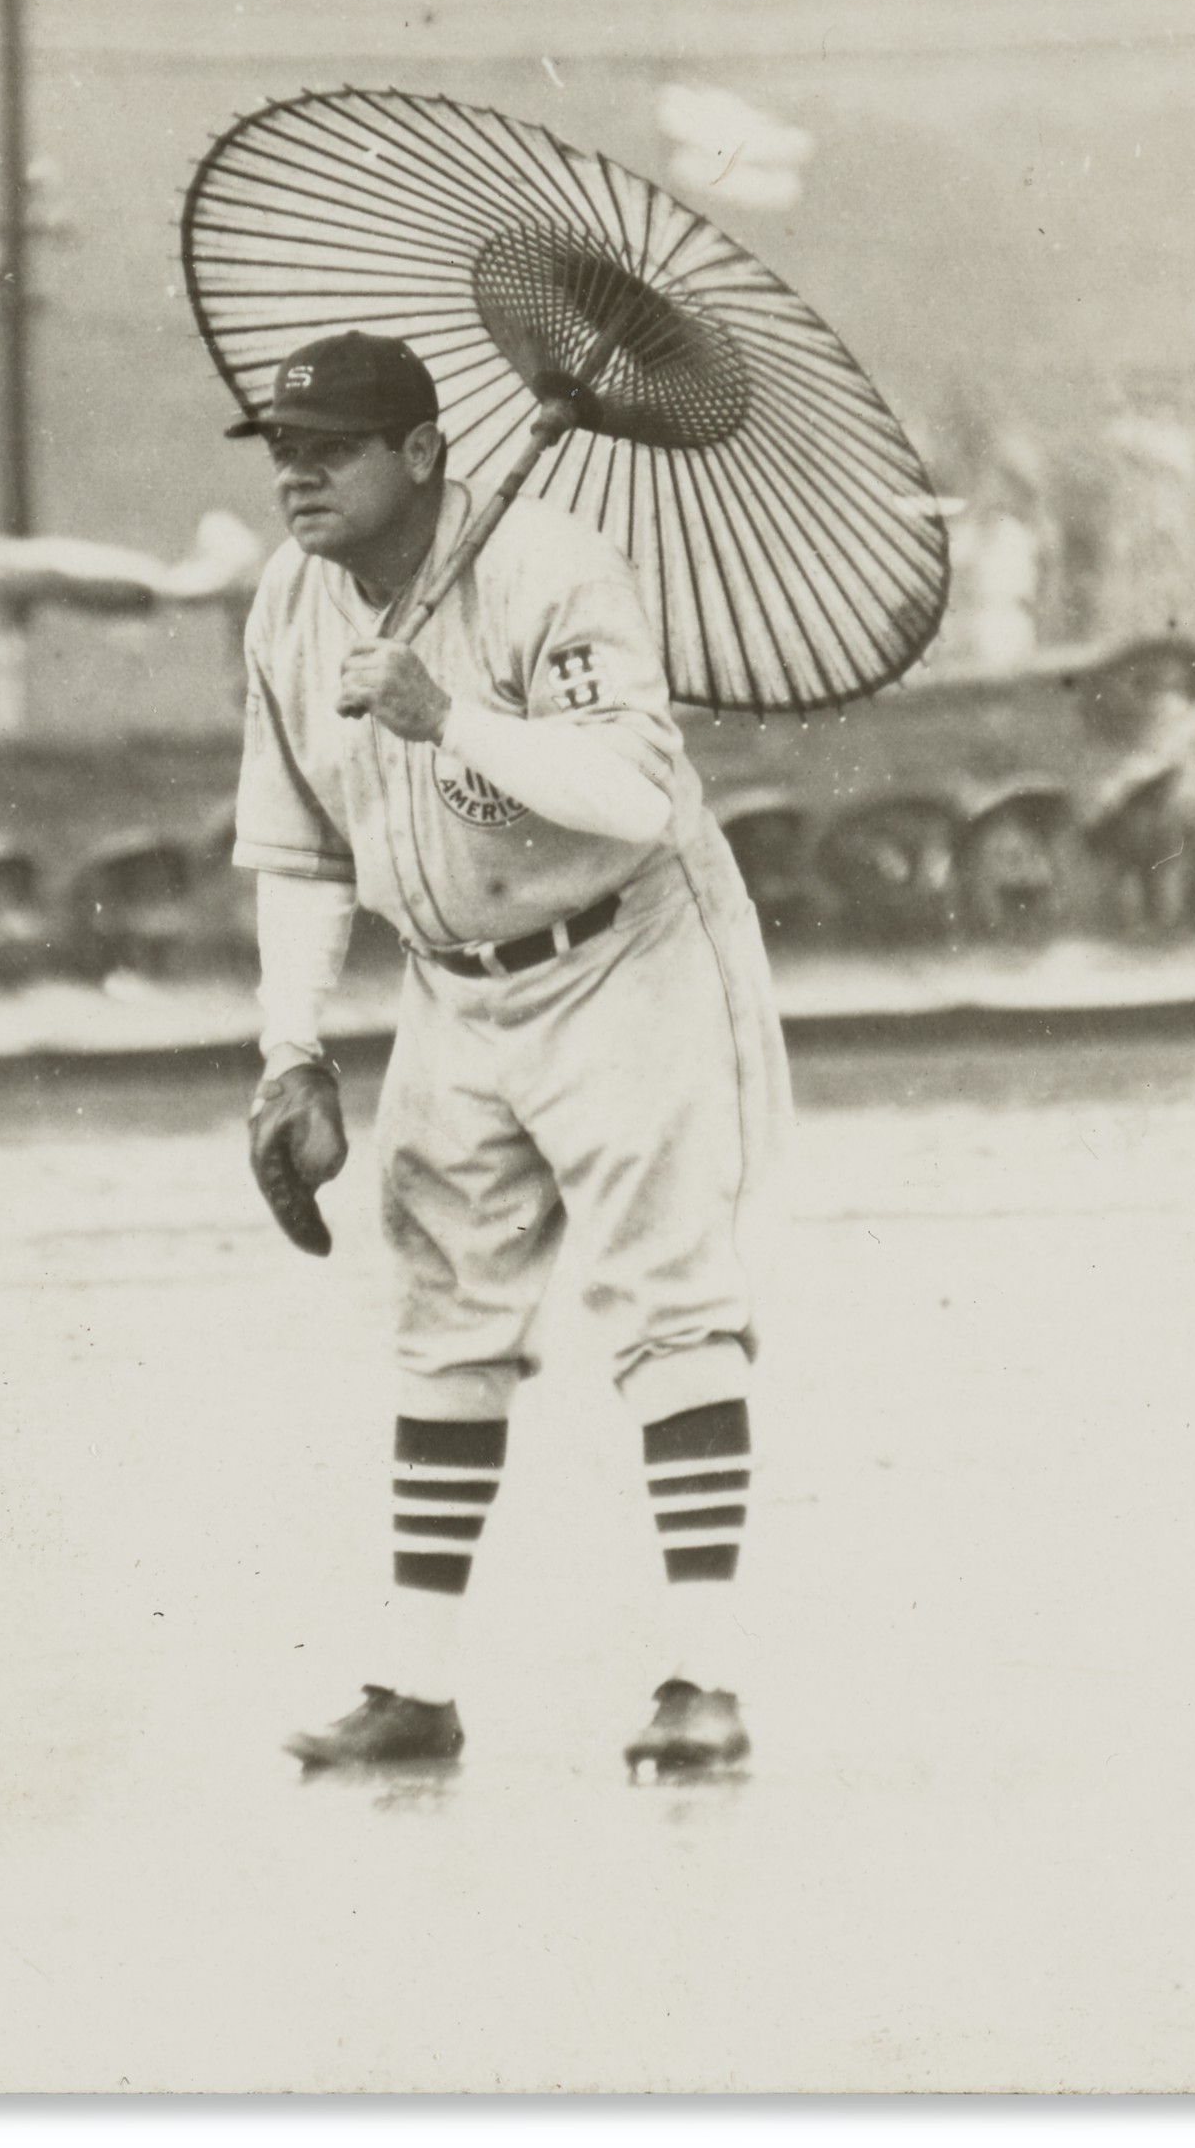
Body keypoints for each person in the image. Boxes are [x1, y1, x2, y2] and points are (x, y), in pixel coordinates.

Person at [229, 331, 792, 1783]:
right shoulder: (292, 605)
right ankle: (414, 1690)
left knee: (672, 1304)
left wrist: (448, 715)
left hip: (623, 954)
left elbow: (632, 786)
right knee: (442, 1314)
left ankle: (703, 1682)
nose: (298, 474)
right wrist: (292, 1053)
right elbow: (296, 853)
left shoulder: (552, 569)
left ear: (421, 454)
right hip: (451, 984)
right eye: (283, 450)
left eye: (331, 448)